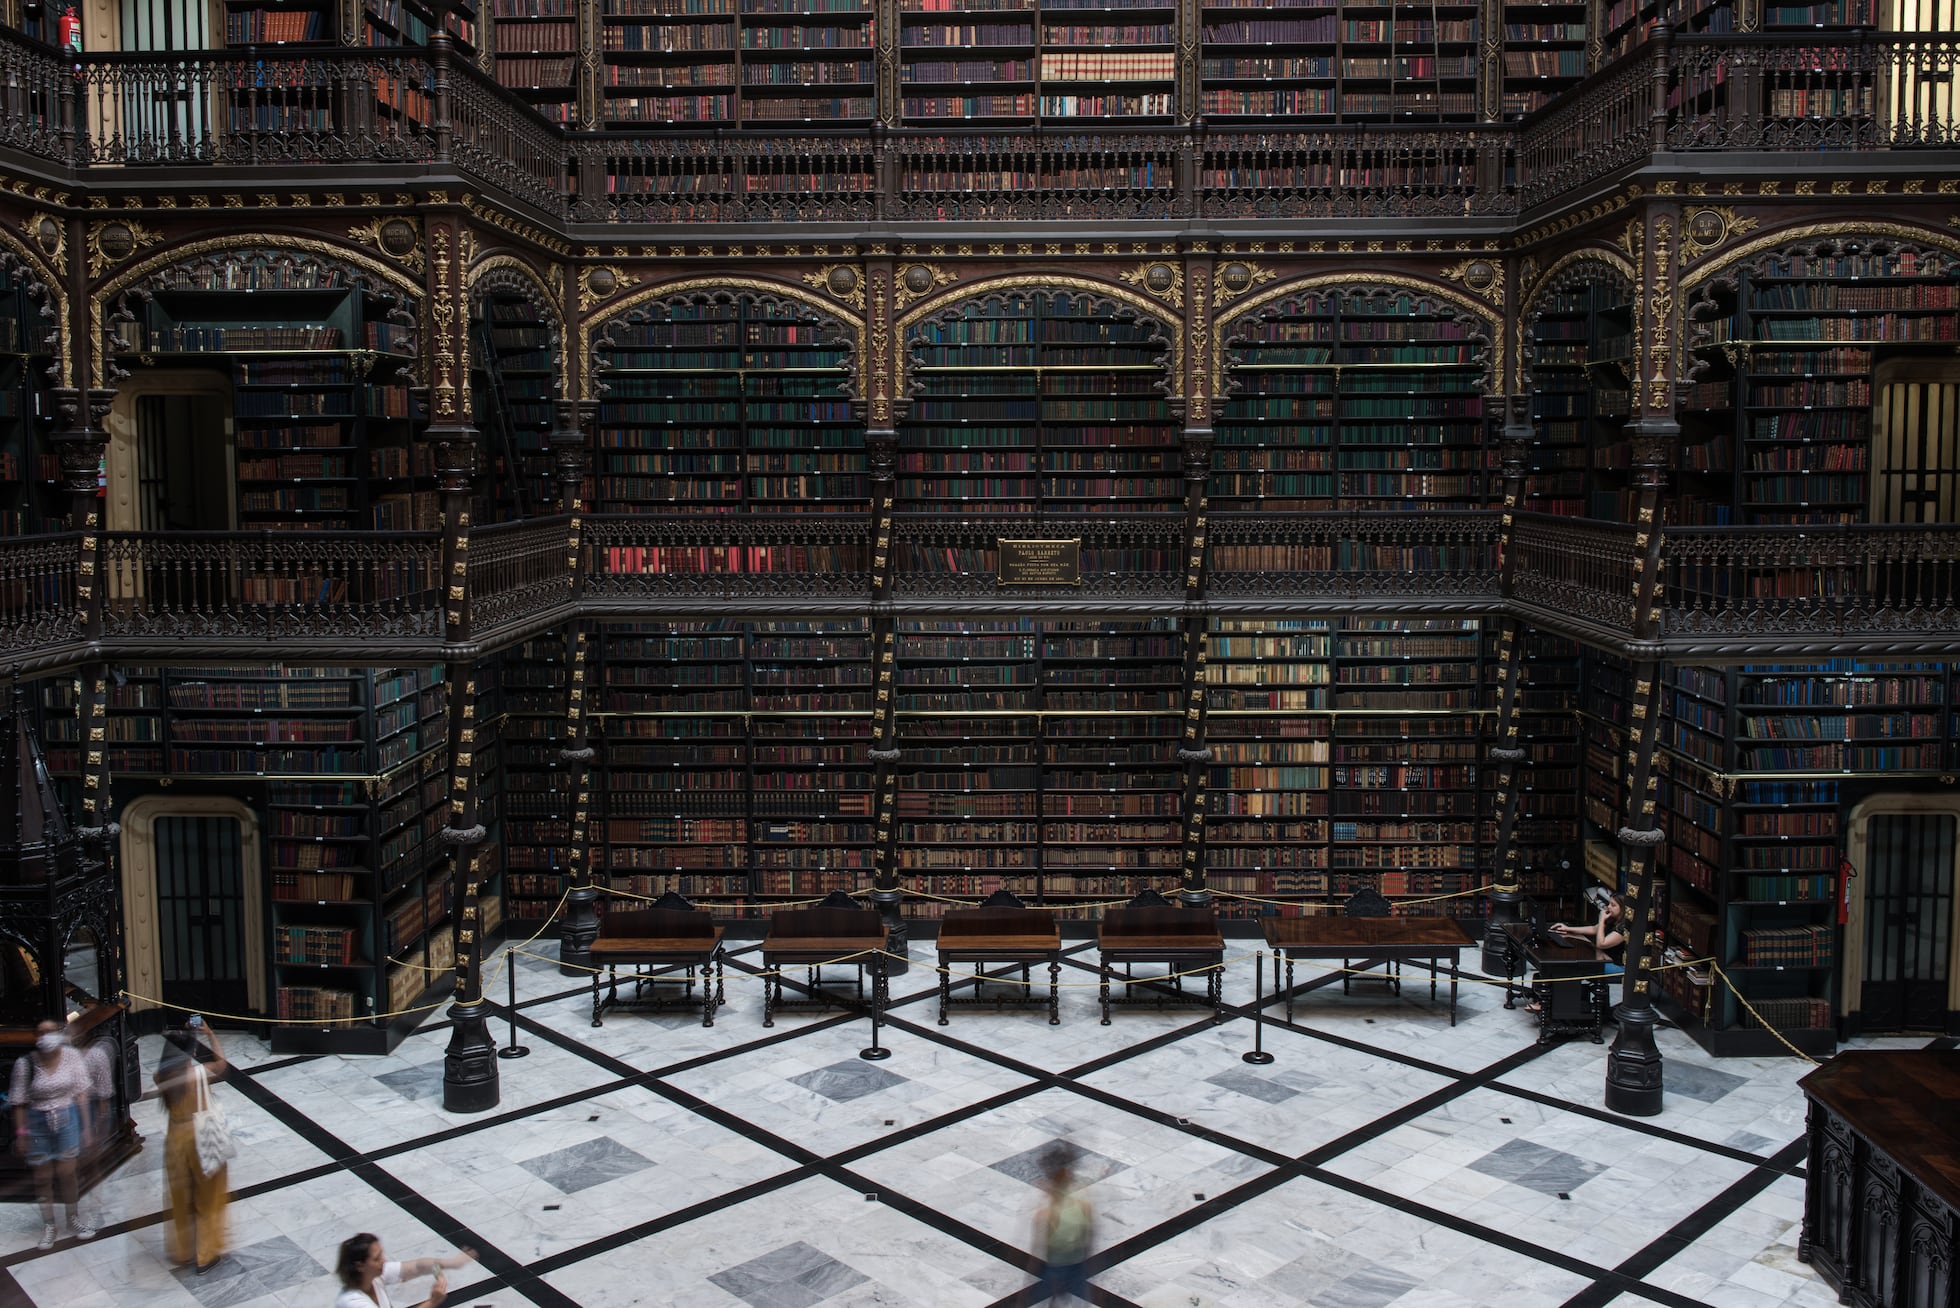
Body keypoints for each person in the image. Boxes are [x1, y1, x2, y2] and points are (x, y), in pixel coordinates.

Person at [9, 1019, 95, 1249]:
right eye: (41, 1032)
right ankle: (50, 1225)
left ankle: (72, 1218)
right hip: (37, 1123)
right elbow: (18, 1102)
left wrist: (86, 1128)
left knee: (67, 1173)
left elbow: (82, 1094)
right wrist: (21, 1133)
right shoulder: (25, 1064)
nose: (46, 1036)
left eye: (51, 1032)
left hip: (67, 1118)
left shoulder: (71, 1057)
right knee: (43, 1177)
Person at [155, 1017, 230, 1272]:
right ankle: (205, 1254)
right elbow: (222, 1064)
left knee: (181, 1198)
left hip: (175, 1141)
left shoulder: (160, 1077)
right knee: (208, 1199)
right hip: (201, 1138)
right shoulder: (198, 1074)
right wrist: (210, 1034)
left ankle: (183, 1250)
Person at [333, 1234, 477, 1308]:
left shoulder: (374, 1276)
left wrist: (447, 1266)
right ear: (360, 1265)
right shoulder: (352, 1302)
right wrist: (433, 1302)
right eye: (377, 1258)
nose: (384, 1260)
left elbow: (417, 1266)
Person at [1031, 1143, 1094, 1306]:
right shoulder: (1080, 1203)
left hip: (1060, 1266)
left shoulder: (1047, 1212)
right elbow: (1089, 1235)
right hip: (1073, 1265)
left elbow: (1039, 1246)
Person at [1553, 892, 1629, 975]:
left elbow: (1601, 944)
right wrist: (1567, 928)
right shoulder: (1612, 919)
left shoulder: (1624, 928)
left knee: (1581, 967)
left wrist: (1601, 920)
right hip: (1604, 958)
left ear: (1622, 909)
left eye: (1613, 905)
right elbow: (1594, 929)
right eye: (1609, 903)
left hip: (1617, 966)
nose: (1609, 907)